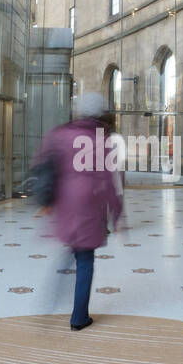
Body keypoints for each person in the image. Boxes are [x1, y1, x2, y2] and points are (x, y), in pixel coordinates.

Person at [36, 92, 124, 331]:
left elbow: (41, 162)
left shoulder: (60, 133)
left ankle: (49, 300)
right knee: (85, 259)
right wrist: (117, 213)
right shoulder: (102, 140)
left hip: (65, 202)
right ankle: (79, 317)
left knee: (72, 248)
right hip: (90, 204)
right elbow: (110, 181)